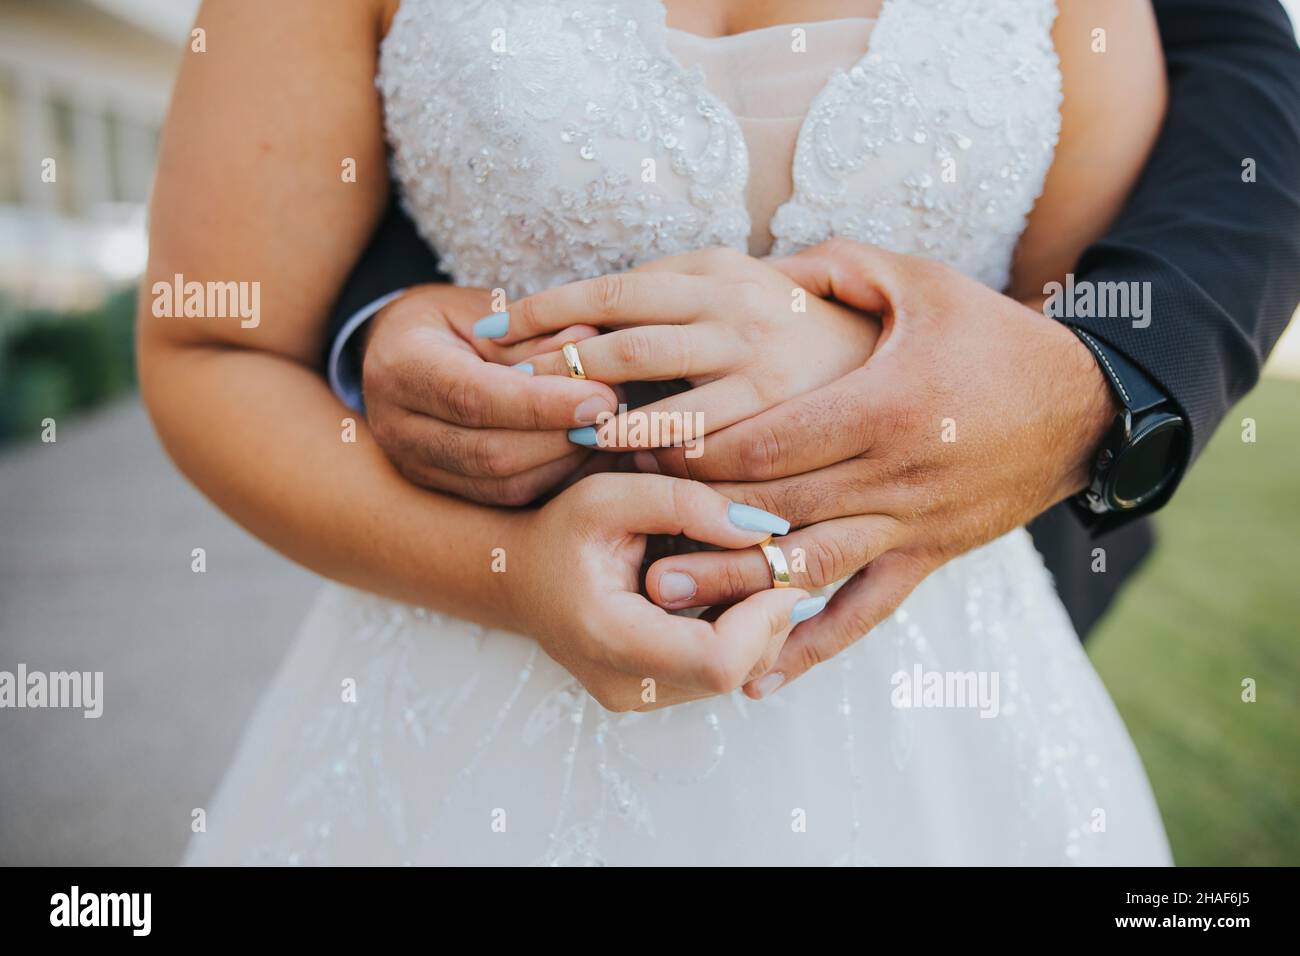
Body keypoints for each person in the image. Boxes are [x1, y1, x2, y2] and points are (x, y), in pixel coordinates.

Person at [137, 0, 1299, 865]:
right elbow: (212, 344)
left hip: (945, 709)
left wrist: (969, 377)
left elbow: (1076, 316)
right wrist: (502, 575)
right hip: (454, 705)